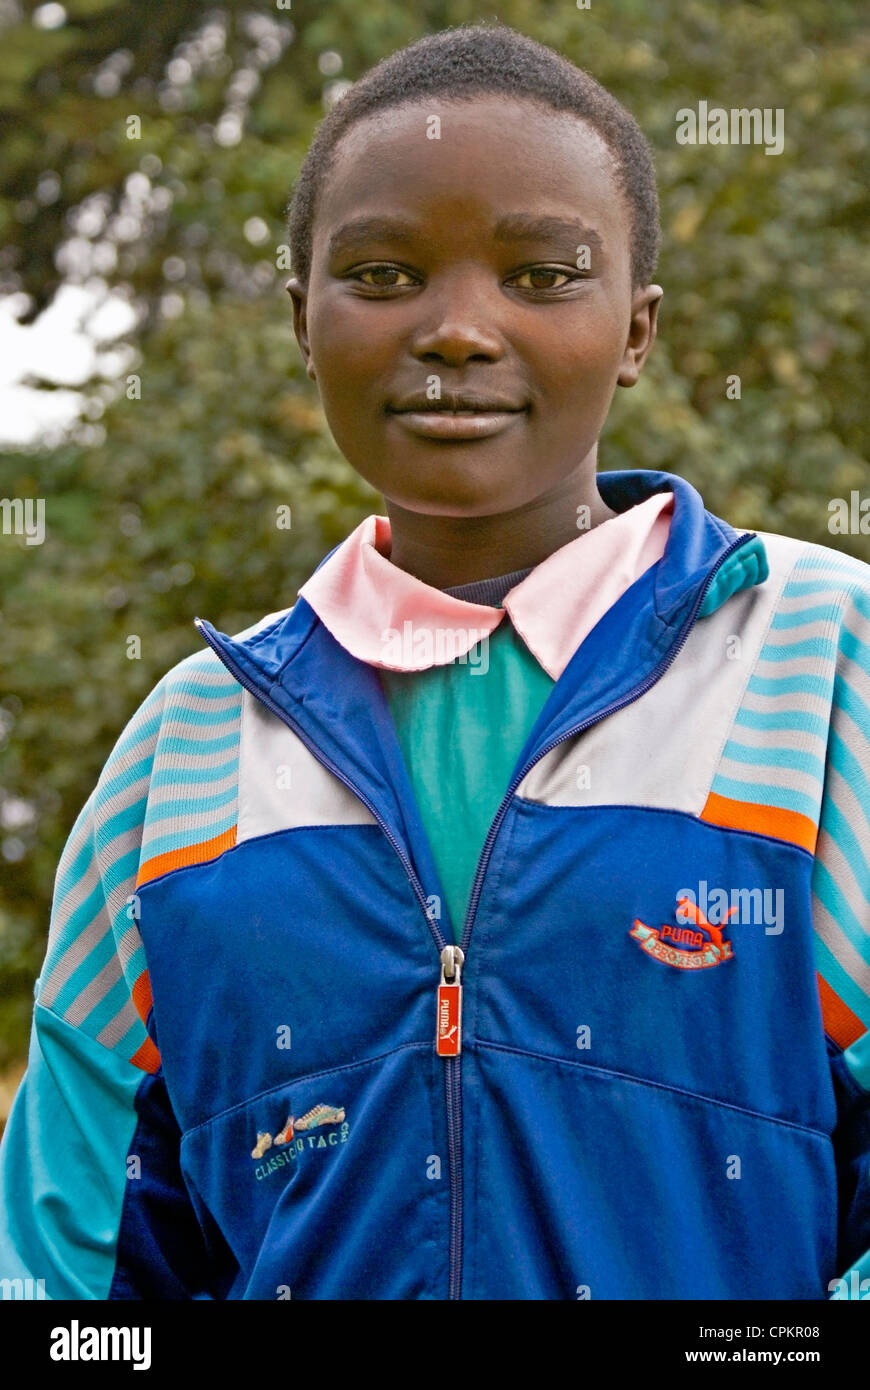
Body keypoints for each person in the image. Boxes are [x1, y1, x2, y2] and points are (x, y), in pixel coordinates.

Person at [1, 21, 868, 1301]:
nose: (459, 329)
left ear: (637, 330)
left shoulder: (824, 660)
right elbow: (66, 1281)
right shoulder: (183, 754)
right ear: (304, 321)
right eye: (386, 271)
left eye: (541, 275)